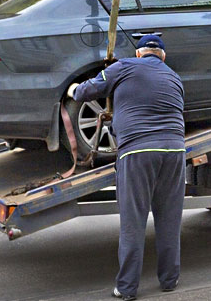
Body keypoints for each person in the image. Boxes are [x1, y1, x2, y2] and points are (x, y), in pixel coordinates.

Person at [69, 35, 185, 300]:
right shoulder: (175, 78)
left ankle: (127, 287)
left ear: (138, 53)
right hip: (175, 149)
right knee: (169, 219)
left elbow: (88, 91)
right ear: (162, 56)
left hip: (138, 150)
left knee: (133, 221)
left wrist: (72, 90)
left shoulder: (123, 66)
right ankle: (169, 279)